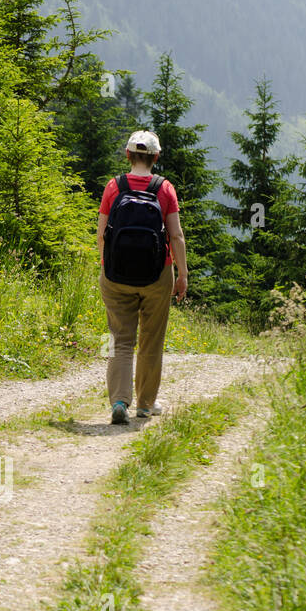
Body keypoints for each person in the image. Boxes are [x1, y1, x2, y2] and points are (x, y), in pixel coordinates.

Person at [96, 130, 188, 423]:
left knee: (120, 339)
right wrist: (182, 274)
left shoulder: (114, 186)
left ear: (128, 155)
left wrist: (106, 266)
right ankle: (145, 405)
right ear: (155, 157)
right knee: (151, 340)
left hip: (116, 276)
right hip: (156, 275)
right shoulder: (164, 188)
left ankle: (119, 402)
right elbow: (175, 235)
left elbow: (101, 234)